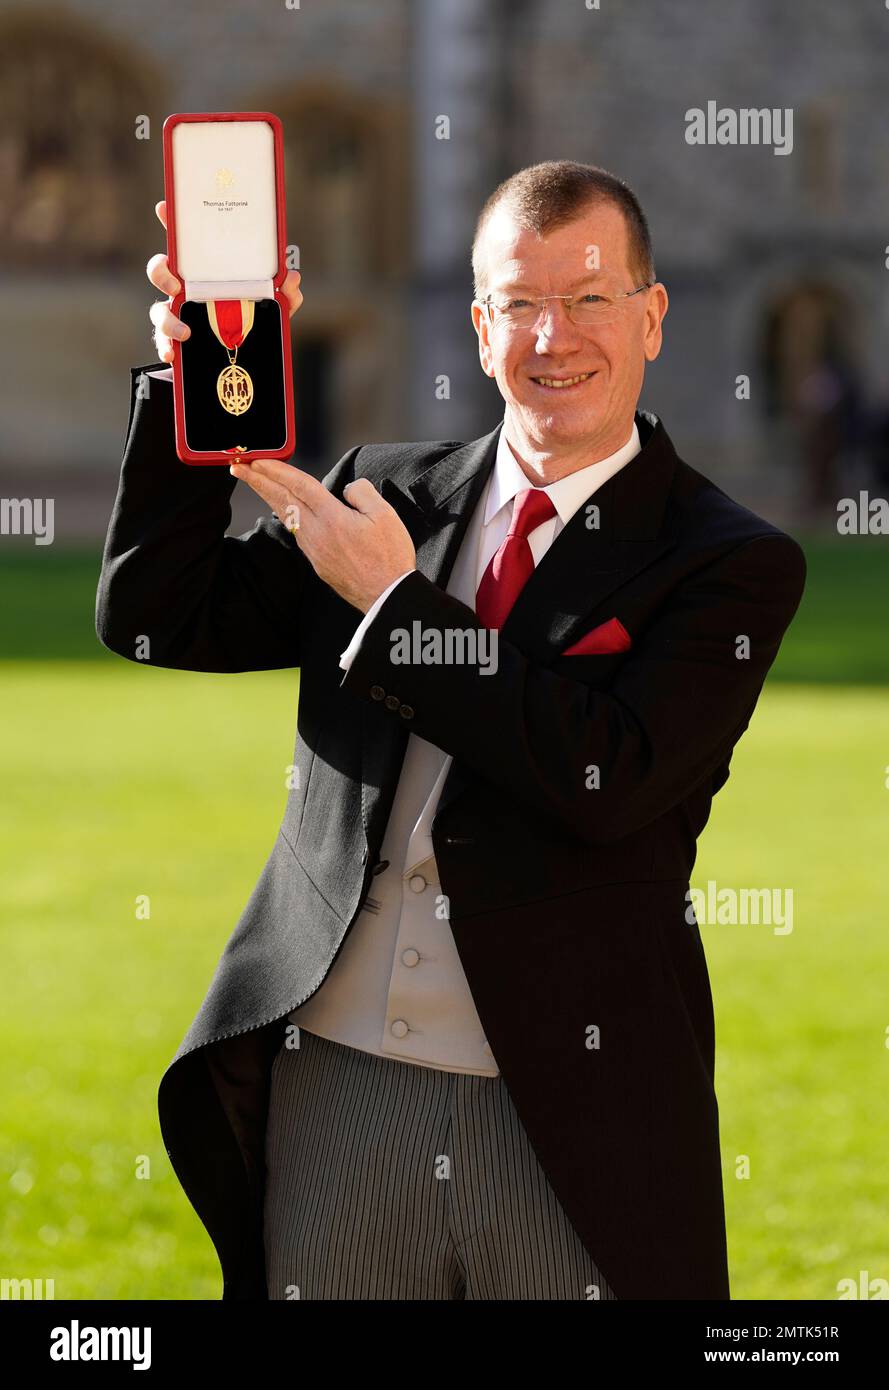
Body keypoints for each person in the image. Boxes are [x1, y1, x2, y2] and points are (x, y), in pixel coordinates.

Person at [96, 160, 806, 1301]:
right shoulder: (385, 493)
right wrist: (196, 366)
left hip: (568, 1107)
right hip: (337, 1086)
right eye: (519, 302)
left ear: (652, 316)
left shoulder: (730, 561)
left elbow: (604, 779)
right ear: (480, 330)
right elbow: (152, 615)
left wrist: (394, 609)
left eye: (588, 297)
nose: (553, 335)